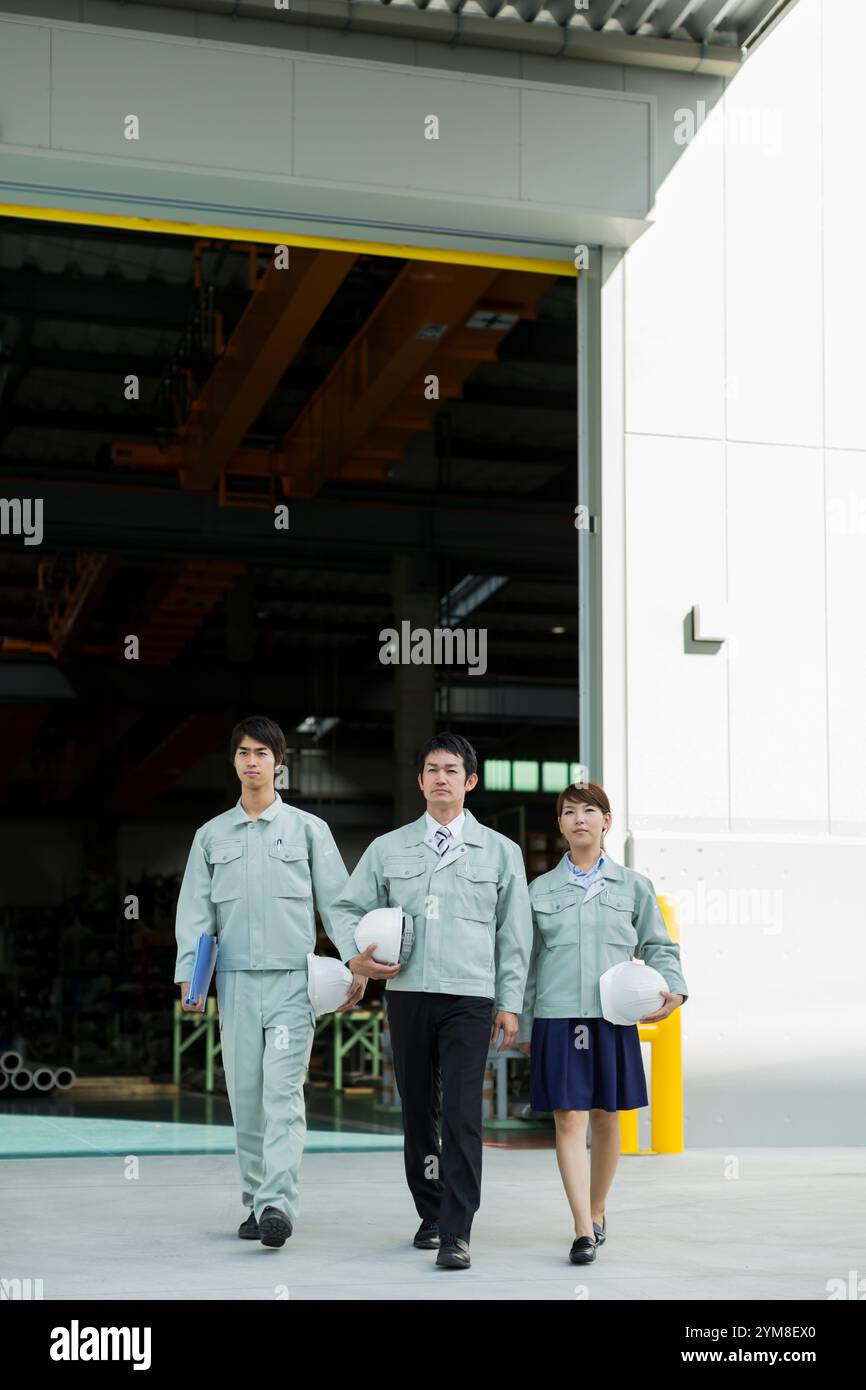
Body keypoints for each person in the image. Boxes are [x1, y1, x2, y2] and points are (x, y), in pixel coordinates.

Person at [328, 732, 532, 1270]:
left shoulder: (502, 853)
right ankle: (431, 1210)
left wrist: (509, 1002)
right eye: (432, 770)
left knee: (463, 1113)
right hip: (409, 993)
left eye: (452, 770)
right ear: (419, 781)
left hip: (470, 996)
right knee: (419, 1110)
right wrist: (358, 956)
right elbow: (348, 908)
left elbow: (514, 935)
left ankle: (457, 1229)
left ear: (469, 781)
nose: (441, 778)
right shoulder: (388, 849)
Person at [174, 715, 359, 1248]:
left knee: (282, 1093)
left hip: (290, 983)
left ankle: (277, 1202)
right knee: (247, 1096)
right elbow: (195, 914)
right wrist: (191, 978)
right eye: (243, 753)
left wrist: (356, 965)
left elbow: (339, 903)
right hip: (233, 984)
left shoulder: (307, 830)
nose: (252, 761)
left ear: (280, 764)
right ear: (233, 762)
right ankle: (255, 1201)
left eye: (262, 753)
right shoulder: (210, 836)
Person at [517, 782, 688, 1266]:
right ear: (560, 825)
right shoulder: (540, 891)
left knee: (606, 1115)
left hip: (613, 1016)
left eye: (590, 811)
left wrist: (672, 988)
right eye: (569, 812)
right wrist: (526, 1024)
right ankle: (580, 1228)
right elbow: (526, 963)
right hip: (557, 1014)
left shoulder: (634, 887)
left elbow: (659, 946)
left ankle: (597, 1209)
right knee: (569, 1117)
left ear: (606, 821)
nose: (580, 819)